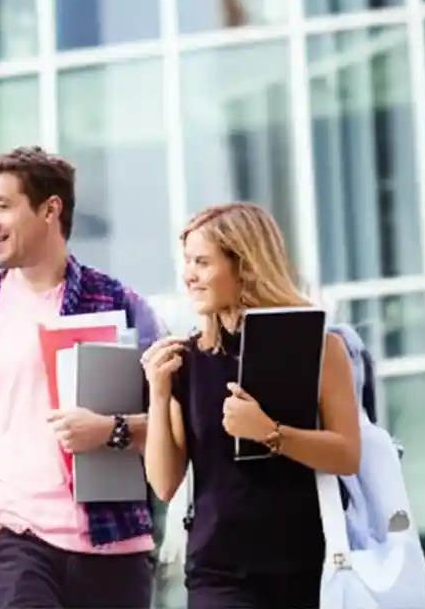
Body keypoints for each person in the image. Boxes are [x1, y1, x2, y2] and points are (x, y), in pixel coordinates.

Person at [0, 146, 163, 609]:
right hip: (13, 538)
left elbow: (175, 424)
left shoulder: (121, 305)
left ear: (50, 209)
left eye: (2, 206)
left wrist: (111, 429)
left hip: (114, 543)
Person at [142, 202, 361, 608]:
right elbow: (164, 482)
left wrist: (270, 433)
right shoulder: (185, 360)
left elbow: (346, 454)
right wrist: (158, 393)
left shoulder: (320, 348)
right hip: (217, 572)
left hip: (306, 569)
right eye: (188, 261)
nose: (189, 275)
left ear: (244, 265)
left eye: (202, 262)